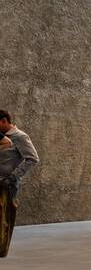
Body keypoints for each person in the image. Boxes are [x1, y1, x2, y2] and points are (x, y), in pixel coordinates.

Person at [0, 110, 40, 259]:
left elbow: (33, 159)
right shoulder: (3, 137)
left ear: (4, 121)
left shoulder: (19, 137)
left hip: (6, 187)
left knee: (3, 223)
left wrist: (12, 178)